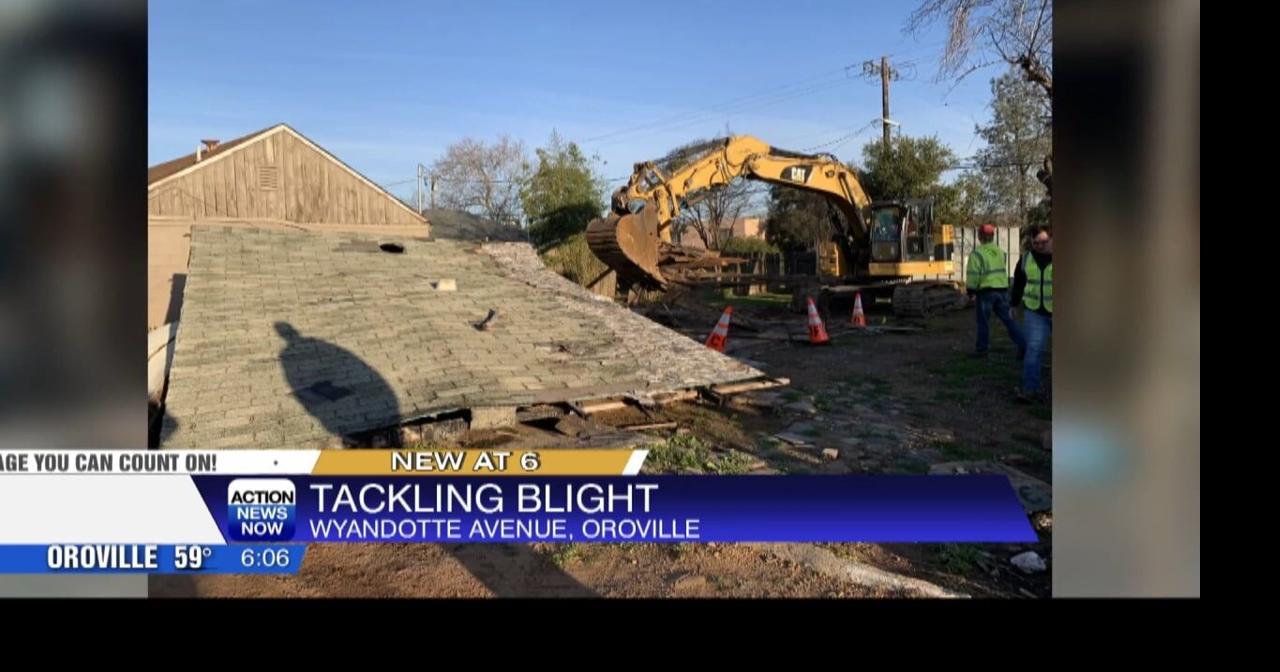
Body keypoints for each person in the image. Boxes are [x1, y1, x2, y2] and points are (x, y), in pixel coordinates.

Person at [966, 223, 1026, 359]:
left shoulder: (977, 254)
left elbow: (973, 275)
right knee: (1008, 320)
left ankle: (982, 350)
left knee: (983, 322)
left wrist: (971, 291)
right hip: (1002, 290)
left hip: (986, 292)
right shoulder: (1000, 253)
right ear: (993, 236)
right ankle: (1023, 344)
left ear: (979, 236)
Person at [1011, 226, 1053, 402]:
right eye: (1036, 243)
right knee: (1034, 350)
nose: (1040, 246)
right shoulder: (1026, 259)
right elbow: (1019, 282)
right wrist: (1013, 304)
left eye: (1044, 242)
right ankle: (1030, 389)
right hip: (1035, 311)